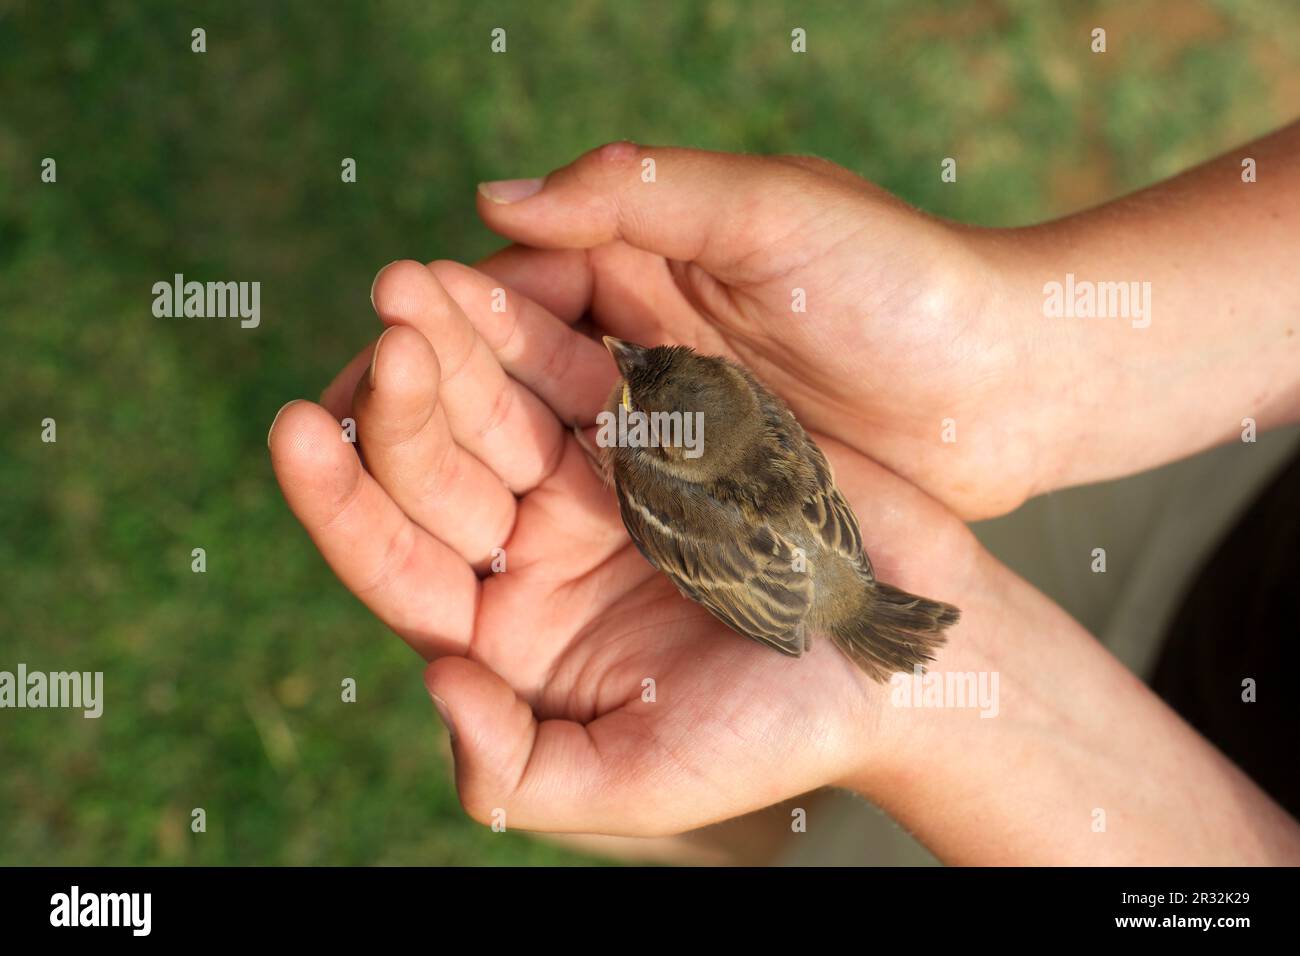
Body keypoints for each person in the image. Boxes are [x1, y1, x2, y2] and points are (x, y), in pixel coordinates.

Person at [267, 125, 1300, 864]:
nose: (620, 375)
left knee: (790, 809)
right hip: (1232, 488)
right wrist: (1011, 359)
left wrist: (951, 727)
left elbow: (729, 546)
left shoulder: (653, 479)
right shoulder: (732, 413)